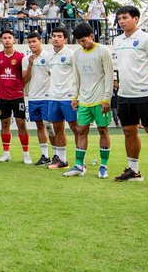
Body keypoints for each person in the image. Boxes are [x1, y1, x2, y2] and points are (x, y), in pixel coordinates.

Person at [111, 6, 148, 187]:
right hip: (124, 94)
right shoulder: (117, 40)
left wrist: (140, 78)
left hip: (145, 93)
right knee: (129, 131)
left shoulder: (146, 39)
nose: (121, 21)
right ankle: (133, 170)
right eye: (119, 18)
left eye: (125, 18)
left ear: (135, 19)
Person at [62, 22, 114, 178]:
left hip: (100, 100)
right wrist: (74, 96)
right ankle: (79, 165)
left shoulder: (103, 51)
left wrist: (107, 99)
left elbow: (110, 77)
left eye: (84, 40)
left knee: (102, 130)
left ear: (92, 36)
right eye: (79, 41)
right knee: (81, 131)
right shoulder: (76, 54)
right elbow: (76, 77)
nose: (82, 44)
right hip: (83, 100)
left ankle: (103, 166)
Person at [38, 26, 79, 169]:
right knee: (57, 129)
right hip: (53, 97)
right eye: (53, 36)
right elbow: (51, 74)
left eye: (59, 36)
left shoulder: (71, 55)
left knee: (76, 129)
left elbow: (77, 75)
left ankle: (81, 162)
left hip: (68, 98)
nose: (55, 38)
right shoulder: (48, 56)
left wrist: (75, 95)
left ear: (65, 39)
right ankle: (62, 160)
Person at [0, 28, 30, 164]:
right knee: (5, 123)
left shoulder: (21, 57)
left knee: (21, 123)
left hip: (17, 95)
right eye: (4, 38)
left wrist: (17, 87)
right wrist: (3, 85)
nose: (7, 40)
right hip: (2, 96)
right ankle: (6, 153)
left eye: (9, 38)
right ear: (0, 40)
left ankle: (26, 154)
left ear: (14, 40)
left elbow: (25, 77)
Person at [21, 31, 53, 166]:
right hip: (33, 96)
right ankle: (45, 156)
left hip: (47, 97)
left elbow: (54, 76)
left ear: (40, 41)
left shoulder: (49, 56)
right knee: (39, 125)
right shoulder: (26, 59)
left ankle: (58, 154)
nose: (32, 44)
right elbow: (25, 80)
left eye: (34, 41)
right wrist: (30, 65)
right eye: (29, 42)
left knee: (50, 126)